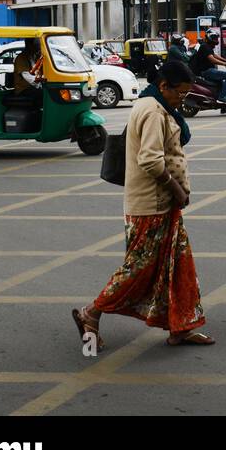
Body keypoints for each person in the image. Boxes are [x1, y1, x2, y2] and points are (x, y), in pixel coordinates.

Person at [74, 60, 213, 350]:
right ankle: (91, 313)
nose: (183, 99)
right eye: (181, 93)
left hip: (162, 204)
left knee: (178, 266)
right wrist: (177, 190)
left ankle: (181, 326)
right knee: (137, 269)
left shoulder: (157, 105)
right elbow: (150, 159)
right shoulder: (152, 110)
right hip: (151, 204)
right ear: (164, 86)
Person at [190, 28, 226, 102]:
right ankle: (222, 97)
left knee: (220, 82)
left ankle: (224, 107)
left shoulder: (208, 46)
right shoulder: (204, 46)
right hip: (206, 71)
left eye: (216, 38)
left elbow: (215, 55)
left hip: (209, 70)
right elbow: (212, 59)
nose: (216, 40)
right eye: (214, 38)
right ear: (209, 37)